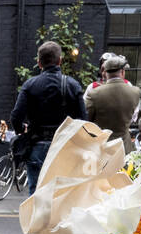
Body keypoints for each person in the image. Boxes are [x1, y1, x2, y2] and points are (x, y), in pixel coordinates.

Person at [8, 41, 87, 195]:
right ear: (60, 61)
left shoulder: (30, 85)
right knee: (61, 197)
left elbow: (16, 116)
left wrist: (21, 131)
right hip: (64, 147)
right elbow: (83, 120)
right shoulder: (72, 85)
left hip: (37, 145)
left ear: (39, 63)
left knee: (36, 195)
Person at [86, 54, 141, 154]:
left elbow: (87, 120)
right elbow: (134, 117)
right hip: (124, 147)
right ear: (122, 72)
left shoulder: (94, 94)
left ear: (105, 73)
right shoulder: (135, 92)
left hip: (101, 148)